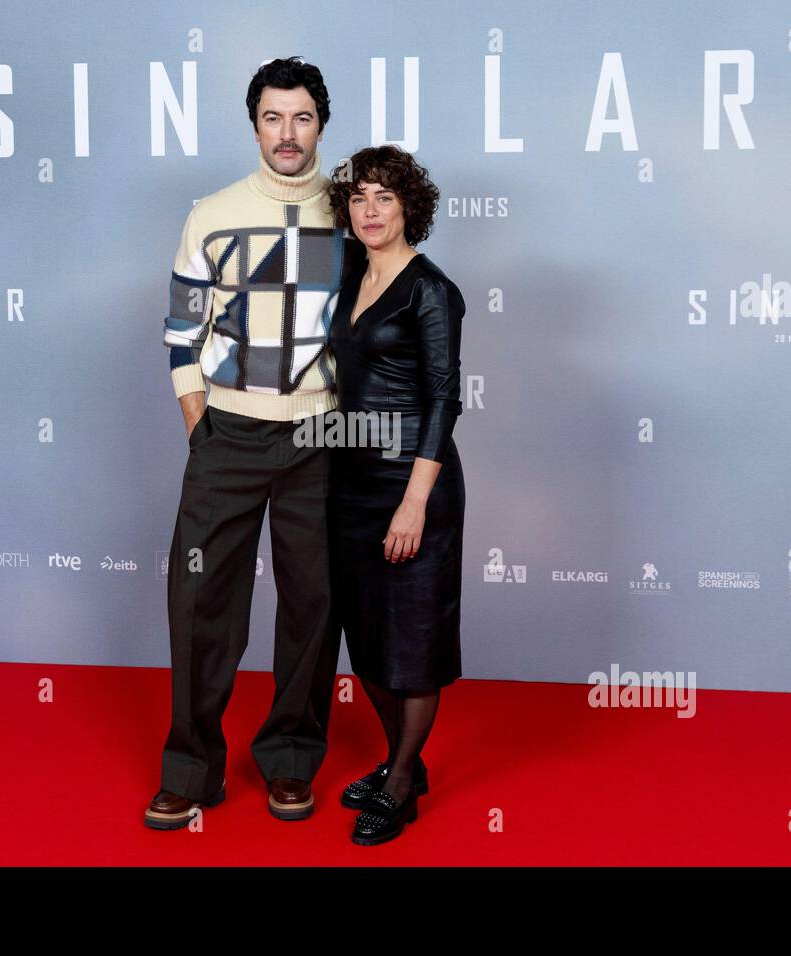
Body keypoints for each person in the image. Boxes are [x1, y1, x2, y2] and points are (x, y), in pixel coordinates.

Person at [145, 57, 348, 830]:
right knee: (200, 603)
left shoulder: (350, 214)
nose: (287, 133)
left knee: (312, 604)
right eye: (272, 117)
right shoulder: (213, 213)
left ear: (320, 123)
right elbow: (180, 330)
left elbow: (372, 327)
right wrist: (201, 424)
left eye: (301, 117)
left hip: (321, 437)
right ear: (254, 123)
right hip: (226, 435)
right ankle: (192, 771)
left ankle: (292, 760)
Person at [325, 144, 466, 845]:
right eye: (359, 198)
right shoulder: (350, 270)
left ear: (410, 206)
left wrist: (413, 502)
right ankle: (401, 760)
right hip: (349, 478)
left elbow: (443, 401)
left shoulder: (430, 290)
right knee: (366, 636)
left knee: (410, 639)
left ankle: (403, 783)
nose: (371, 210)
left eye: (385, 197)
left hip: (414, 481)